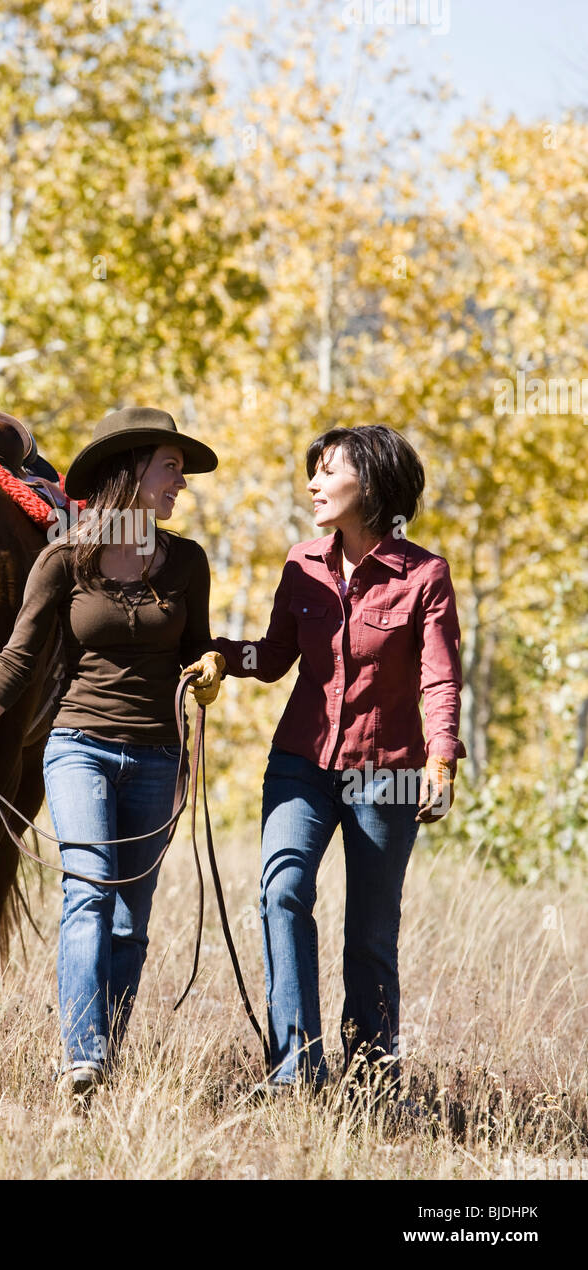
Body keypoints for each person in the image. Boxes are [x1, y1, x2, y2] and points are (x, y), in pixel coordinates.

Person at [0, 406, 227, 1106]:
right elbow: (18, 656)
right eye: (171, 466)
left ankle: (104, 1060)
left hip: (157, 755)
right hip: (79, 745)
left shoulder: (186, 562)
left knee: (131, 919)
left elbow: (197, 645)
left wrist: (209, 665)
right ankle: (80, 1059)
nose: (181, 482)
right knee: (88, 892)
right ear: (130, 473)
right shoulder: (66, 557)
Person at [210, 424, 465, 1099]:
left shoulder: (424, 575)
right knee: (281, 891)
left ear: (373, 483)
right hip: (300, 763)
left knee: (371, 934)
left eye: (328, 471)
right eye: (311, 472)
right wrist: (212, 653)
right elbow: (272, 657)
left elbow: (439, 679)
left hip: (387, 772)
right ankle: (295, 1070)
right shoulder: (303, 563)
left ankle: (372, 1083)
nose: (313, 484)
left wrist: (441, 758)